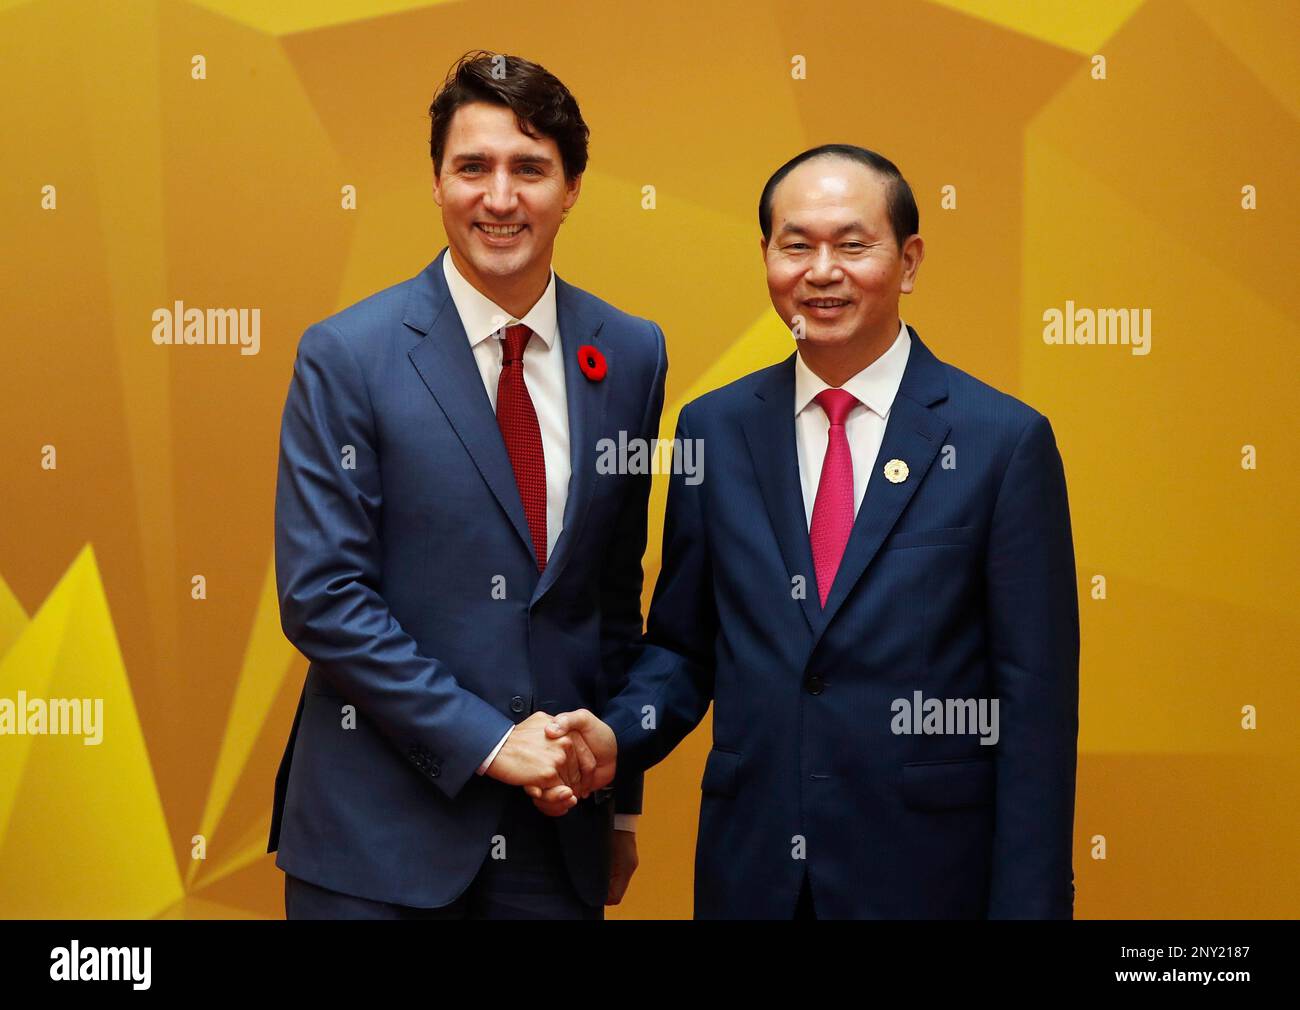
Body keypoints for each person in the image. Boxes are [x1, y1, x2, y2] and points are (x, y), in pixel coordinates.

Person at [539, 144, 1079, 919]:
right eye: (797, 244)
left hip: (929, 881)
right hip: (753, 873)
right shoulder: (714, 431)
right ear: (766, 257)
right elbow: (685, 650)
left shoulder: (1003, 442)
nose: (821, 270)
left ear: (910, 259)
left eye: (853, 244)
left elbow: (1035, 710)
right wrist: (617, 736)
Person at [268, 50, 663, 919]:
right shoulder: (349, 354)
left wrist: (620, 801)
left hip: (555, 835)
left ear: (572, 188)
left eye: (530, 168)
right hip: (378, 844)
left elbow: (610, 593)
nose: (499, 197)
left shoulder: (631, 354)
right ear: (436, 182)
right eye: (472, 167)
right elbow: (324, 597)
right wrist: (489, 741)